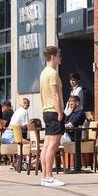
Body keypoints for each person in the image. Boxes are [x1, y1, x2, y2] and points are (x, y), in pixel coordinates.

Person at [38, 46, 66, 188]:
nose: (61, 57)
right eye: (59, 55)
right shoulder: (53, 73)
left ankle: (44, 176)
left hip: (46, 111)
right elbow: (55, 94)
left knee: (47, 144)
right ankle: (49, 176)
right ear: (53, 57)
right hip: (53, 111)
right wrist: (60, 112)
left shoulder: (43, 73)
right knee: (53, 145)